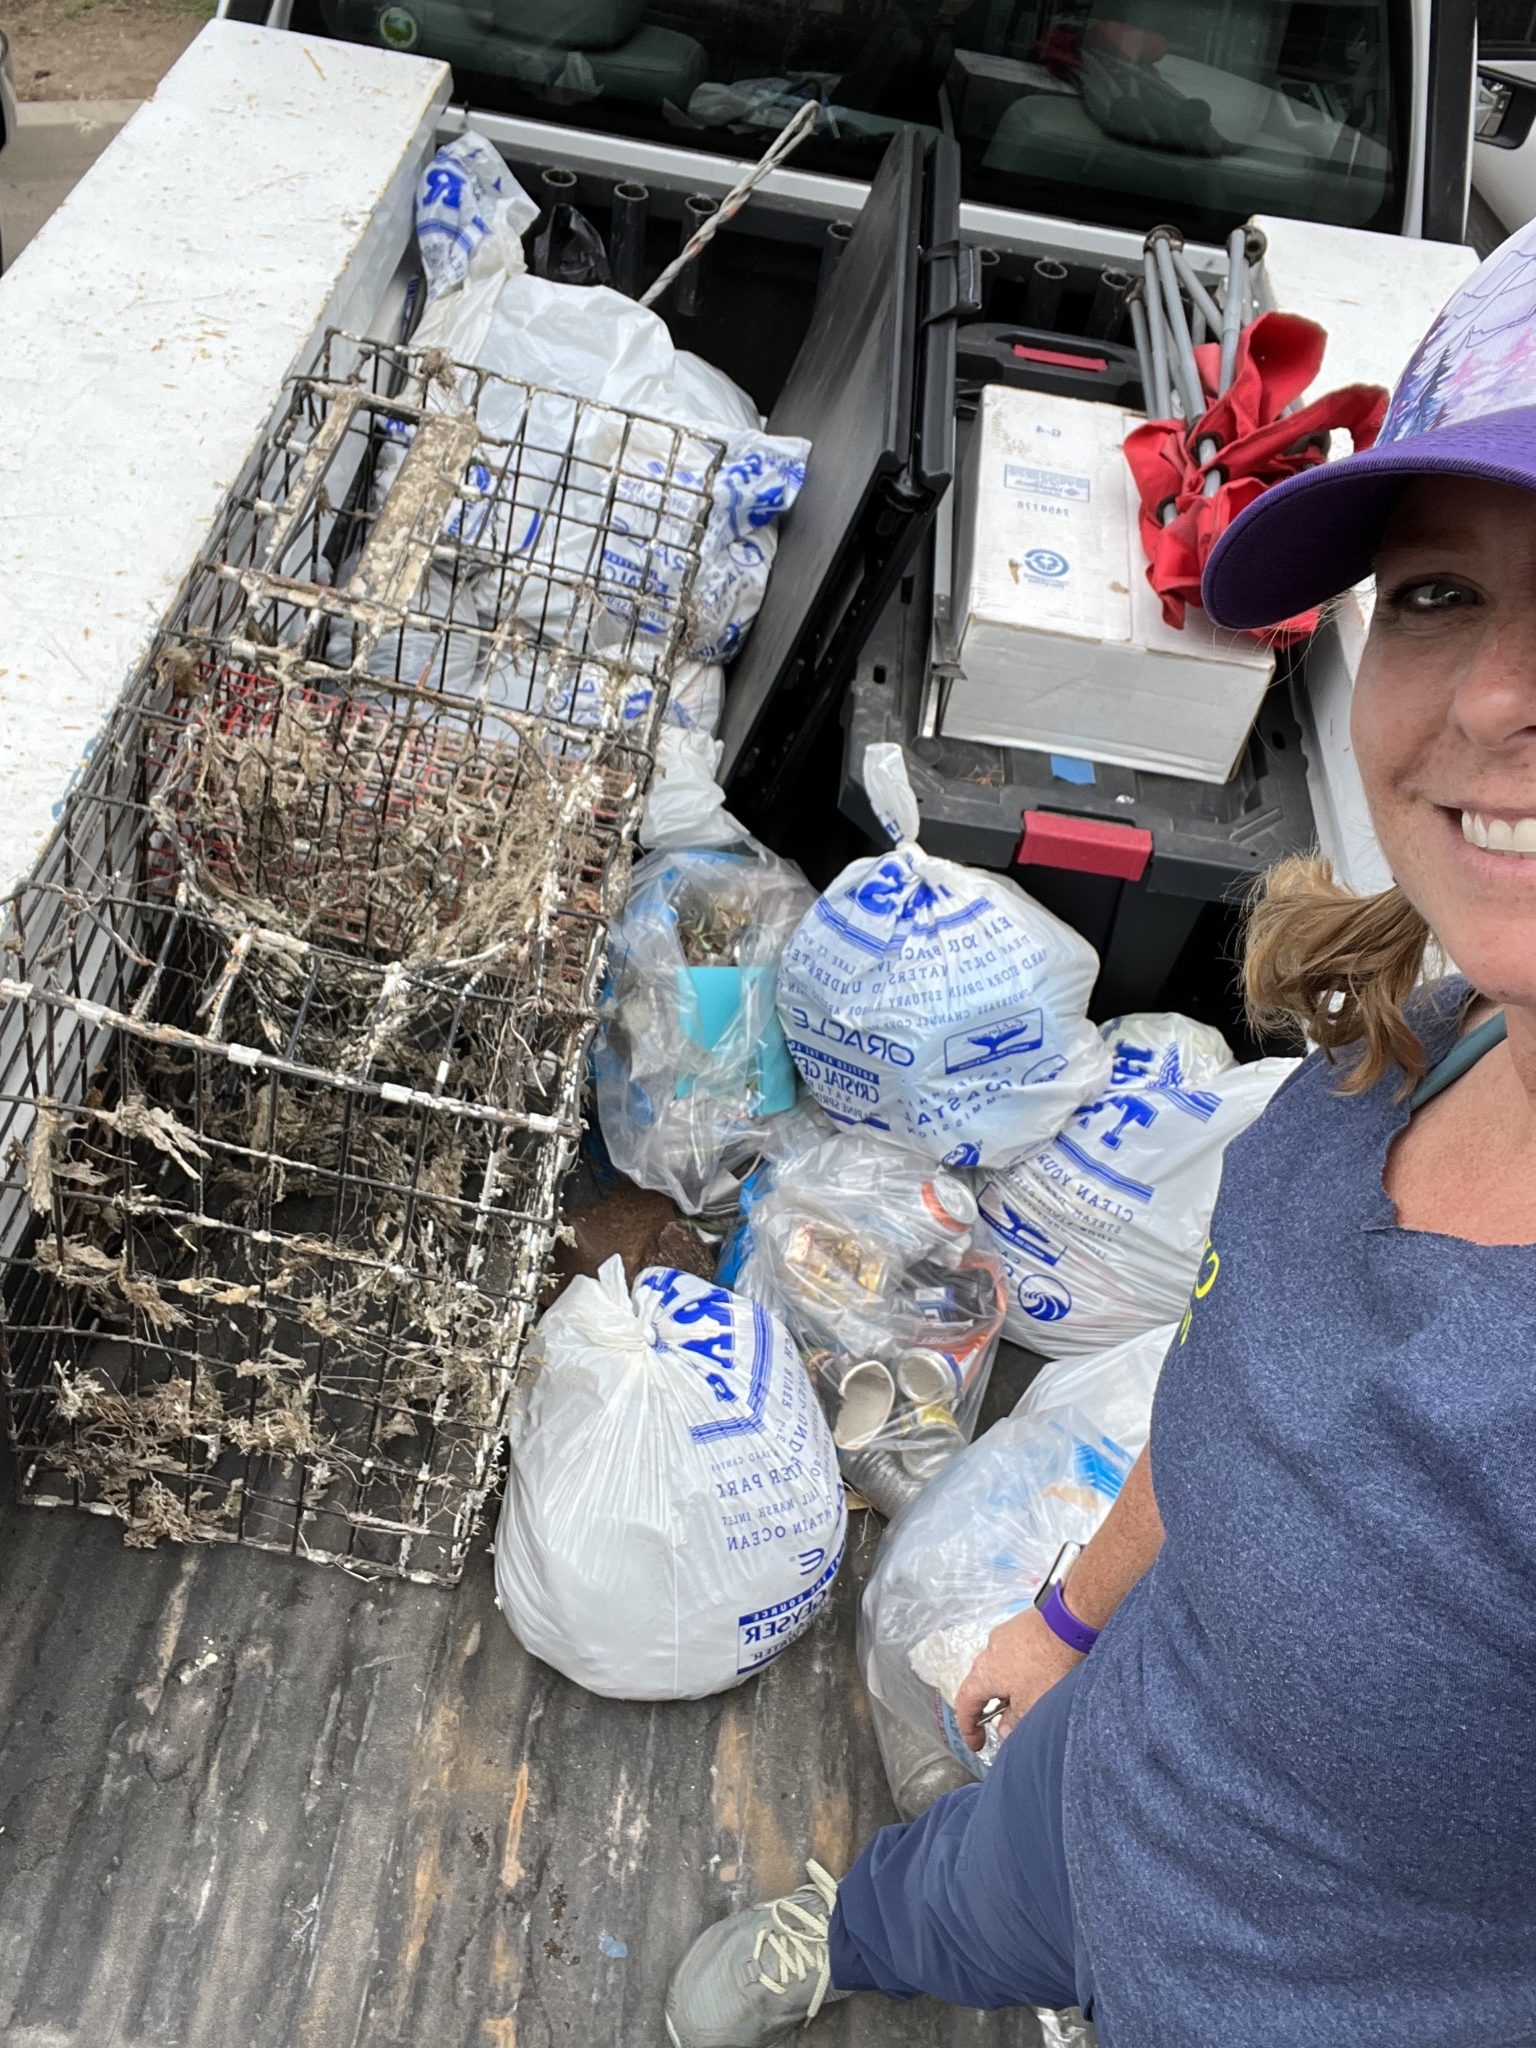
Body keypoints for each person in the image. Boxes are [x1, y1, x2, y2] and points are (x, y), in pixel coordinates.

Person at [664, 213, 1536, 2048]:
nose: (1489, 698)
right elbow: (1238, 1384)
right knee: (944, 1898)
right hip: (1112, 1772)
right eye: (1440, 593)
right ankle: (858, 1932)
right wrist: (1066, 1629)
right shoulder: (1409, 1045)